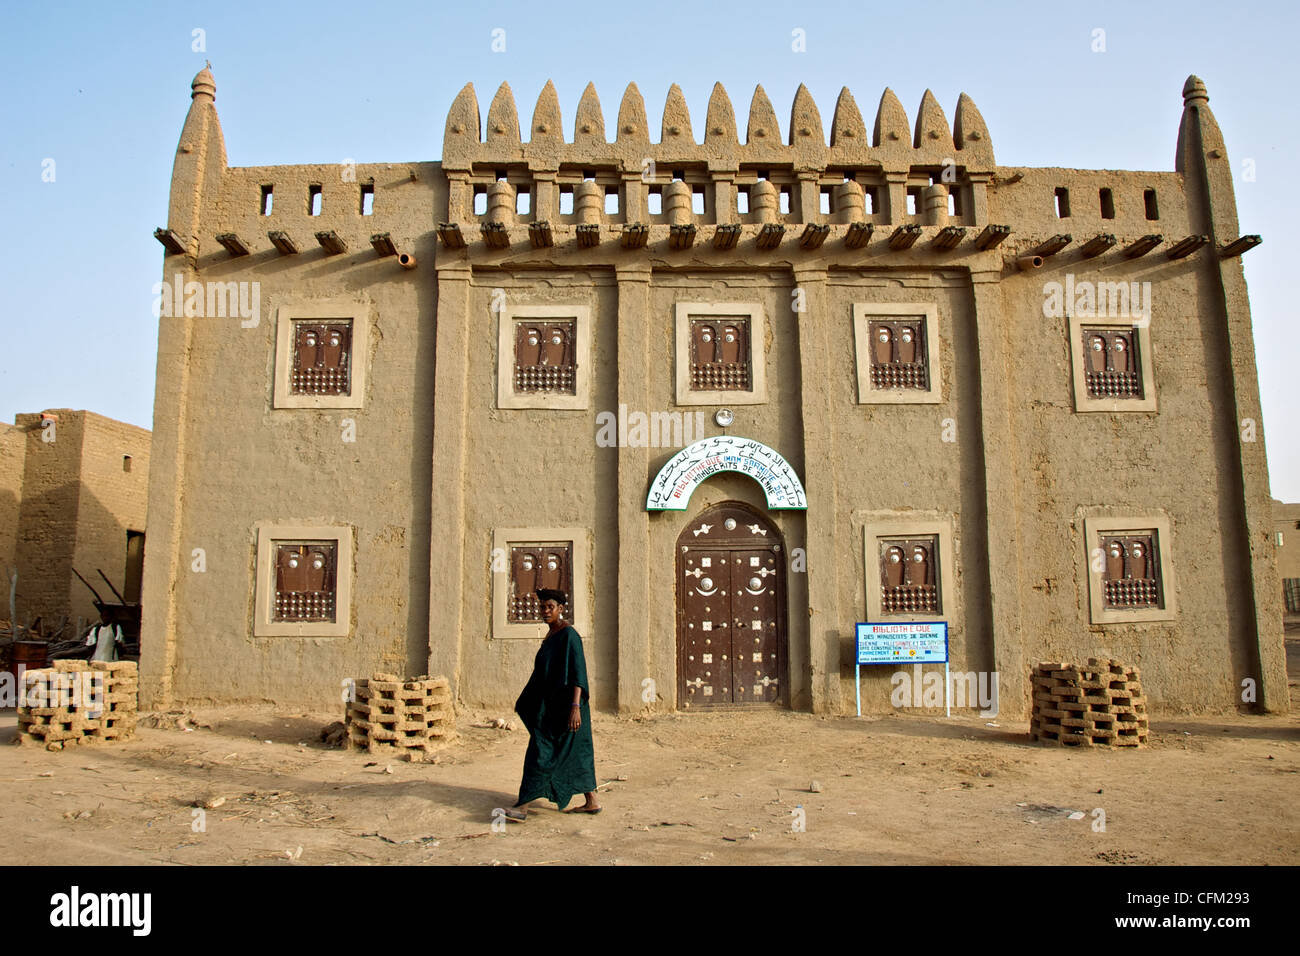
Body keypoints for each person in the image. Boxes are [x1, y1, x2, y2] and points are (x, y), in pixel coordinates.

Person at [503, 588, 600, 821]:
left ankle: (523, 806)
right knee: (576, 754)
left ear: (561, 609)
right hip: (553, 709)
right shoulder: (552, 634)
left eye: (550, 607)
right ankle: (592, 801)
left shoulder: (569, 636)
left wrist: (575, 708)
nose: (545, 611)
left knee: (541, 751)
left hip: (570, 710)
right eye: (543, 607)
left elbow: (578, 674)